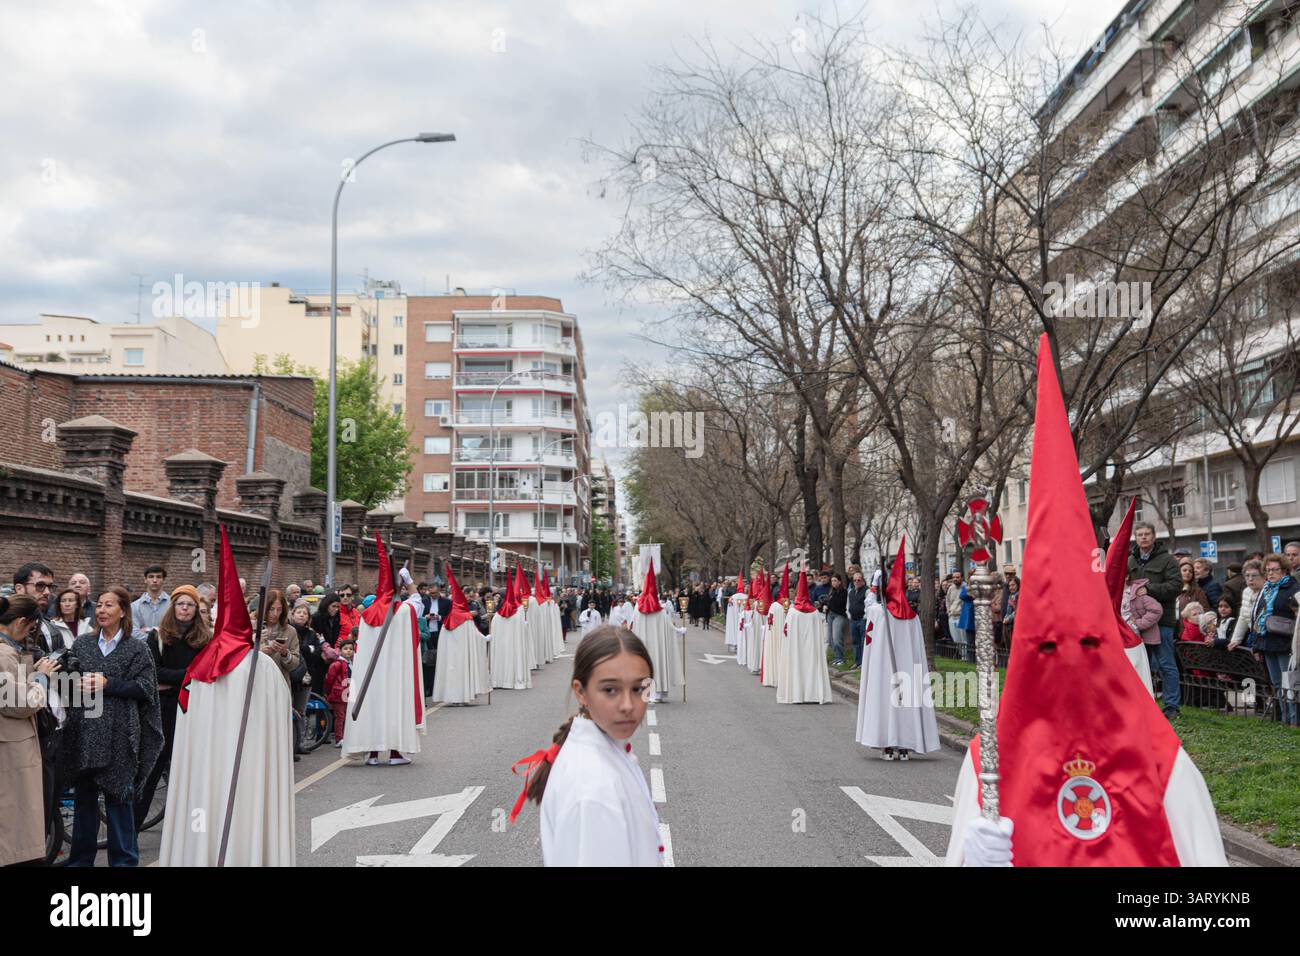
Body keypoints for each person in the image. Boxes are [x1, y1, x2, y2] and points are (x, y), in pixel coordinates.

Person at [948, 335, 1224, 867]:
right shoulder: (987, 765)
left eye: (1091, 644)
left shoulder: (1165, 759)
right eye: (1049, 647)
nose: (1071, 660)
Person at [158, 528, 294, 866]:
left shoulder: (202, 667)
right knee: (246, 809)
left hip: (208, 772)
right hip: (248, 768)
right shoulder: (259, 665)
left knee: (206, 809)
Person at [510, 626, 662, 866]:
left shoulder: (604, 752)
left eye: (638, 689)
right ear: (581, 692)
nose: (627, 705)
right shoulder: (594, 789)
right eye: (610, 690)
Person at [62, 586, 163, 867]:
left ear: (123, 611)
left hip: (120, 734)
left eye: (109, 605)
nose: (102, 610)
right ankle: (80, 862)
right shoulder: (83, 644)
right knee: (84, 806)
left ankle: (124, 863)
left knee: (119, 803)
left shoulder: (137, 648)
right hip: (85, 733)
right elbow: (69, 681)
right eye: (99, 605)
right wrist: (70, 679)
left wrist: (109, 684)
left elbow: (145, 689)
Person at [856, 538, 940, 761]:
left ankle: (889, 745)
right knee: (907, 701)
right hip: (907, 673)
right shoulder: (912, 618)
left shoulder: (879, 613)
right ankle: (904, 745)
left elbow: (868, 604)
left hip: (884, 671)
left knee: (886, 701)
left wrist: (874, 586)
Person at [344, 538, 426, 764]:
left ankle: (371, 754)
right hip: (395, 672)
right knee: (393, 704)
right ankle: (395, 753)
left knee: (373, 705)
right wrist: (410, 581)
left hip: (371, 675)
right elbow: (418, 601)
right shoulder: (404, 610)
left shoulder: (367, 615)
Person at [137, 584, 210, 829]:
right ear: (173, 606)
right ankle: (132, 829)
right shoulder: (158, 636)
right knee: (152, 770)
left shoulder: (205, 639)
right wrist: (188, 675)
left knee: (191, 772)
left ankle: (192, 828)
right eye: (180, 604)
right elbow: (154, 672)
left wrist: (177, 678)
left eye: (190, 605)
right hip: (164, 710)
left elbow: (206, 673)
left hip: (193, 709)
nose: (185, 608)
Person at [0, 594, 58, 866]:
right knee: (15, 828)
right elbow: (21, 703)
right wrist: (41, 677)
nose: (29, 635)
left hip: (12, 745)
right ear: (21, 622)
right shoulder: (3, 655)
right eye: (31, 628)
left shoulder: (9, 652)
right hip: (11, 749)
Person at [1128, 521, 1184, 718]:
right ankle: (1142, 703)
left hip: (1162, 621)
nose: (1143, 537)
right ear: (1136, 537)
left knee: (1166, 664)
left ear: (1154, 536)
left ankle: (1171, 706)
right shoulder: (1130, 561)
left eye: (1147, 534)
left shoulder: (1167, 560)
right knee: (1139, 664)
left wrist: (1149, 589)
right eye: (1140, 534)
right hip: (1137, 622)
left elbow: (1176, 586)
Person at [1248, 553, 1298, 726]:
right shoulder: (1266, 589)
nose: (1270, 573)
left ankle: (1294, 720)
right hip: (1267, 642)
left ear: (1284, 570)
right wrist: (1256, 644)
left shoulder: (1293, 589)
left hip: (1286, 643)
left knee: (1289, 683)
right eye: (1268, 570)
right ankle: (1284, 719)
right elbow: (1258, 616)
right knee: (1277, 683)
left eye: (1274, 570)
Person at [430, 564, 490, 708]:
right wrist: (486, 638)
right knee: (463, 671)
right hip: (463, 653)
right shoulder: (466, 618)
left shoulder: (447, 620)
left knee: (451, 670)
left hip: (451, 654)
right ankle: (462, 696)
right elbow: (475, 635)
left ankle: (451, 696)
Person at [776, 567, 833, 704]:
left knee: (797, 666)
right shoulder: (814, 613)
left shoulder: (792, 612)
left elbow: (786, 632)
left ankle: (797, 694)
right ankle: (814, 694)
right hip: (812, 649)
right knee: (812, 665)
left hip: (796, 649)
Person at [630, 561, 684, 703]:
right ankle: (659, 694)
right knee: (659, 665)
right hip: (658, 645)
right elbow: (670, 627)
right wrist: (680, 630)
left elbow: (632, 626)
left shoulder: (638, 610)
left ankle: (648, 693)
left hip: (643, 645)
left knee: (646, 666)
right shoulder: (660, 612)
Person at [489, 567, 531, 691]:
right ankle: (514, 679)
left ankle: (498, 680)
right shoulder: (518, 614)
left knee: (501, 657)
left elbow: (492, 631)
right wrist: (526, 624)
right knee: (514, 658)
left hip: (501, 646)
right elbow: (523, 629)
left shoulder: (497, 616)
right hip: (514, 645)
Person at [13, 562, 62, 656]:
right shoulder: (4, 625)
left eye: (50, 587)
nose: (47, 592)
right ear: (19, 589)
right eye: (40, 585)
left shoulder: (52, 630)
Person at [326, 640, 355, 746]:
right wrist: (329, 693)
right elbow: (329, 679)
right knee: (340, 717)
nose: (348, 651)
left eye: (351, 649)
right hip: (339, 694)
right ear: (340, 650)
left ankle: (345, 737)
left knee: (347, 716)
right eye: (345, 649)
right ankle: (339, 739)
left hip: (348, 693)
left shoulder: (351, 663)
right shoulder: (337, 664)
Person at [130, 565, 170, 639]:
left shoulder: (172, 604)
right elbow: (133, 633)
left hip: (167, 646)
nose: (155, 580)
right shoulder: (134, 606)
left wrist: (147, 631)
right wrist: (159, 635)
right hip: (142, 646)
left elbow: (174, 631)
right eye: (151, 577)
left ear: (163, 580)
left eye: (158, 577)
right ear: (145, 580)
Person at [847, 570, 870, 669]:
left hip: (862, 619)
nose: (856, 582)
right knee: (855, 642)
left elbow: (869, 605)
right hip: (853, 620)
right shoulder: (851, 591)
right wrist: (849, 615)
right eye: (855, 580)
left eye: (858, 580)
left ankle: (864, 663)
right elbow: (848, 604)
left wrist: (865, 616)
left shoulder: (867, 591)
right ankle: (857, 662)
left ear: (863, 580)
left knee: (863, 641)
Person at [825, 573, 849, 667]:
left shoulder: (843, 591)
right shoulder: (831, 591)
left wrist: (829, 604)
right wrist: (825, 605)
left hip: (839, 615)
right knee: (830, 639)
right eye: (832, 581)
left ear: (839, 582)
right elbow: (828, 603)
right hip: (830, 615)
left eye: (835, 581)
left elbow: (839, 604)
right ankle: (836, 658)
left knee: (836, 637)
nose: (833, 583)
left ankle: (840, 658)